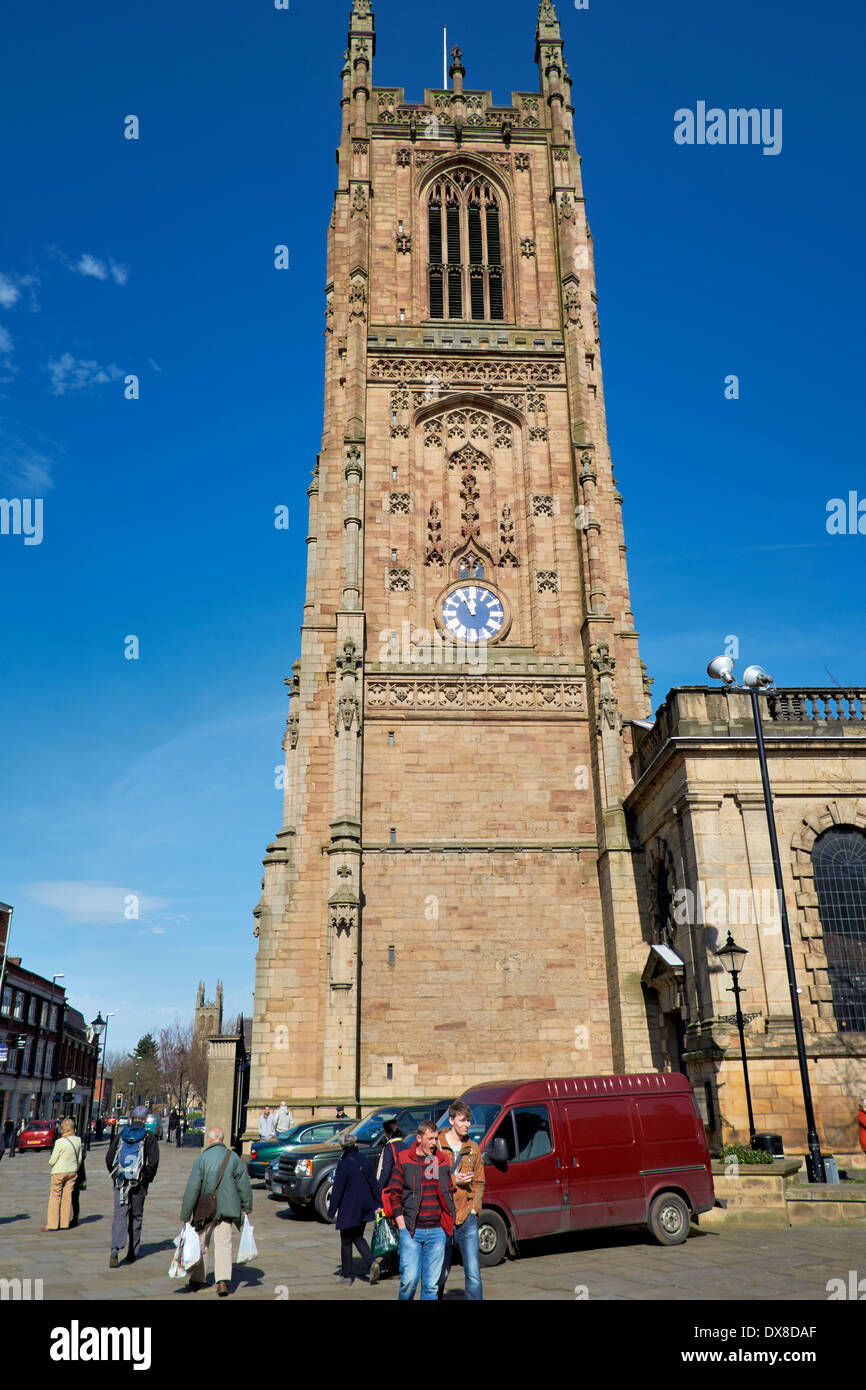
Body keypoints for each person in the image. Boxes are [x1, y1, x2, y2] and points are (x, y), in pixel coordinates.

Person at [384, 1119, 455, 1300]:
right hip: (411, 1230)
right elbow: (394, 1194)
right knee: (409, 1281)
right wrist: (401, 1225)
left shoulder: (440, 1159)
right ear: (419, 1138)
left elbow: (446, 1191)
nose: (434, 1143)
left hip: (437, 1230)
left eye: (436, 1139)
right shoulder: (405, 1158)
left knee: (431, 1286)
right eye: (430, 1139)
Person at [180, 1125, 253, 1296]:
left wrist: (185, 1214)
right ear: (222, 1139)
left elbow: (192, 1189)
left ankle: (198, 1279)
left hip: (204, 1210)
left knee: (201, 1244)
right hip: (227, 1210)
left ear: (211, 1139)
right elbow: (244, 1185)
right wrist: (246, 1207)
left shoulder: (202, 1159)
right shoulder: (233, 1158)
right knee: (223, 1245)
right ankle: (222, 1282)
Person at [436, 1101, 484, 1300]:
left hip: (467, 1216)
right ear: (452, 1120)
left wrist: (475, 1207)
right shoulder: (437, 1145)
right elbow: (430, 1178)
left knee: (473, 1271)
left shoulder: (473, 1148)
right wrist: (455, 1179)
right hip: (443, 1217)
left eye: (469, 1121)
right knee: (440, 1269)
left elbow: (480, 1180)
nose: (467, 1125)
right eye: (463, 1120)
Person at [106, 1114, 159, 1267]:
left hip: (121, 1180)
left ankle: (115, 1249)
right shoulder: (149, 1137)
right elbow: (153, 1163)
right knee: (136, 1215)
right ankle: (133, 1251)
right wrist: (146, 1179)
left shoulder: (122, 1134)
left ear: (132, 1118)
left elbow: (109, 1158)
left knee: (120, 1214)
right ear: (145, 1119)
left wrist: (115, 1176)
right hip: (139, 1182)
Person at [327, 1130, 379, 1285]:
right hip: (365, 1205)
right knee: (357, 1236)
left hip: (350, 1207)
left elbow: (338, 1188)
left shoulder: (344, 1163)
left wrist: (331, 1210)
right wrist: (378, 1204)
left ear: (342, 1147)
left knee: (346, 1240)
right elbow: (374, 1183)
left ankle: (347, 1275)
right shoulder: (364, 1159)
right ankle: (372, 1263)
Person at [369, 1119, 405, 1284]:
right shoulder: (406, 1146)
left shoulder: (389, 1148)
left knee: (389, 1228)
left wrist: (376, 1191)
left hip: (390, 1195)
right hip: (405, 1192)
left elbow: (384, 1173)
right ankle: (403, 1264)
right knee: (402, 1228)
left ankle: (394, 1267)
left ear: (388, 1132)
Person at [42, 1118, 83, 1231]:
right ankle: (65, 1223)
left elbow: (52, 1161)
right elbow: (79, 1159)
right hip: (72, 1171)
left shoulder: (60, 1142)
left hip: (59, 1172)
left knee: (55, 1197)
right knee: (67, 1197)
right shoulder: (78, 1140)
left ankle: (53, 1224)